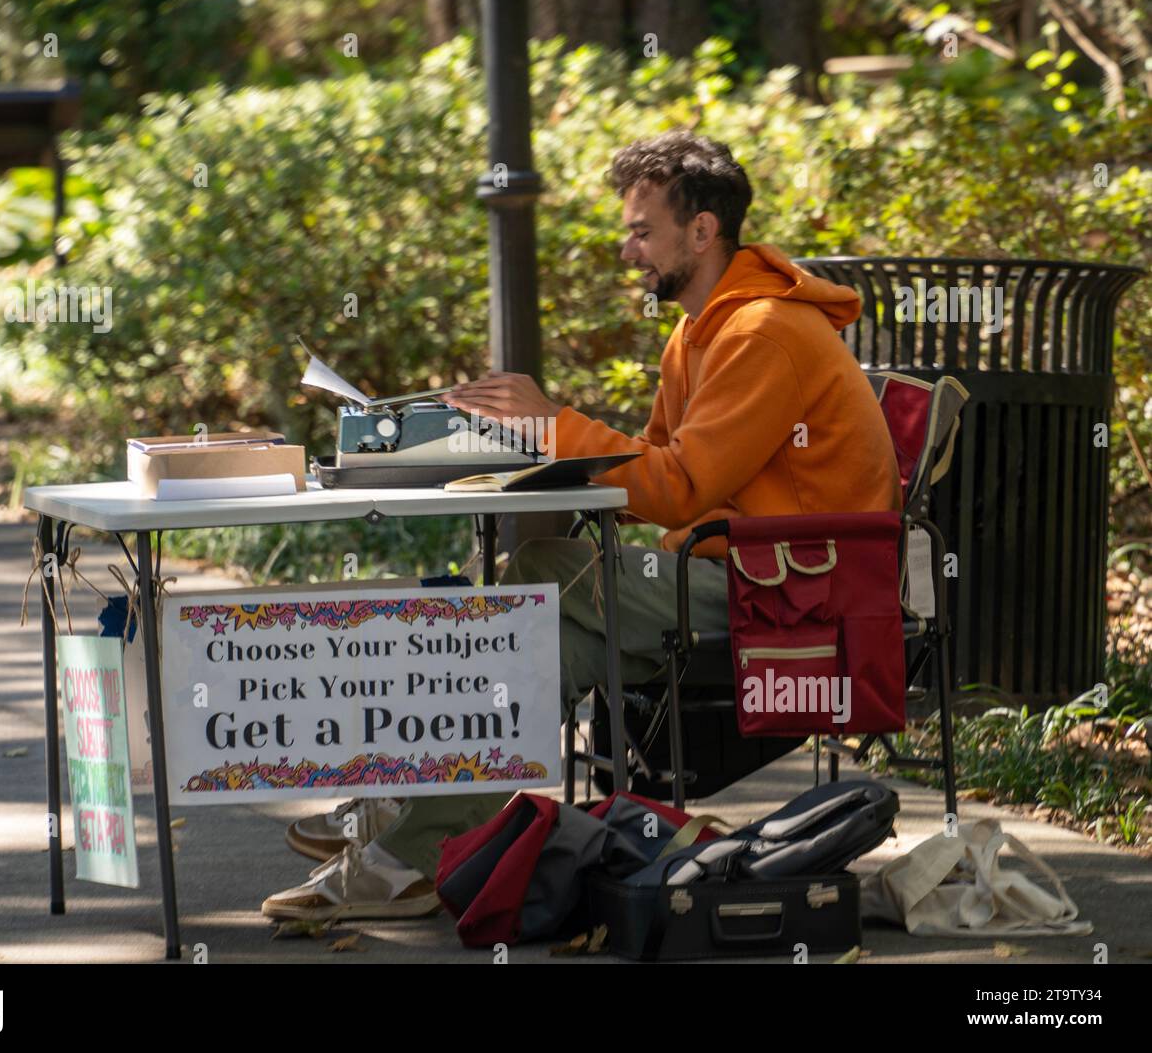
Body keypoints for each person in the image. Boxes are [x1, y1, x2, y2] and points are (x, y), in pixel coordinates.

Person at [261, 129, 901, 922]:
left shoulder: (761, 332)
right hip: (735, 571)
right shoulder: (701, 330)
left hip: (795, 593)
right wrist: (517, 445)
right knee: (539, 634)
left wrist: (555, 426)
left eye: (642, 230)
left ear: (702, 231)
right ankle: (410, 845)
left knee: (537, 574)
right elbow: (658, 468)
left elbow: (678, 485)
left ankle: (403, 822)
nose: (627, 248)